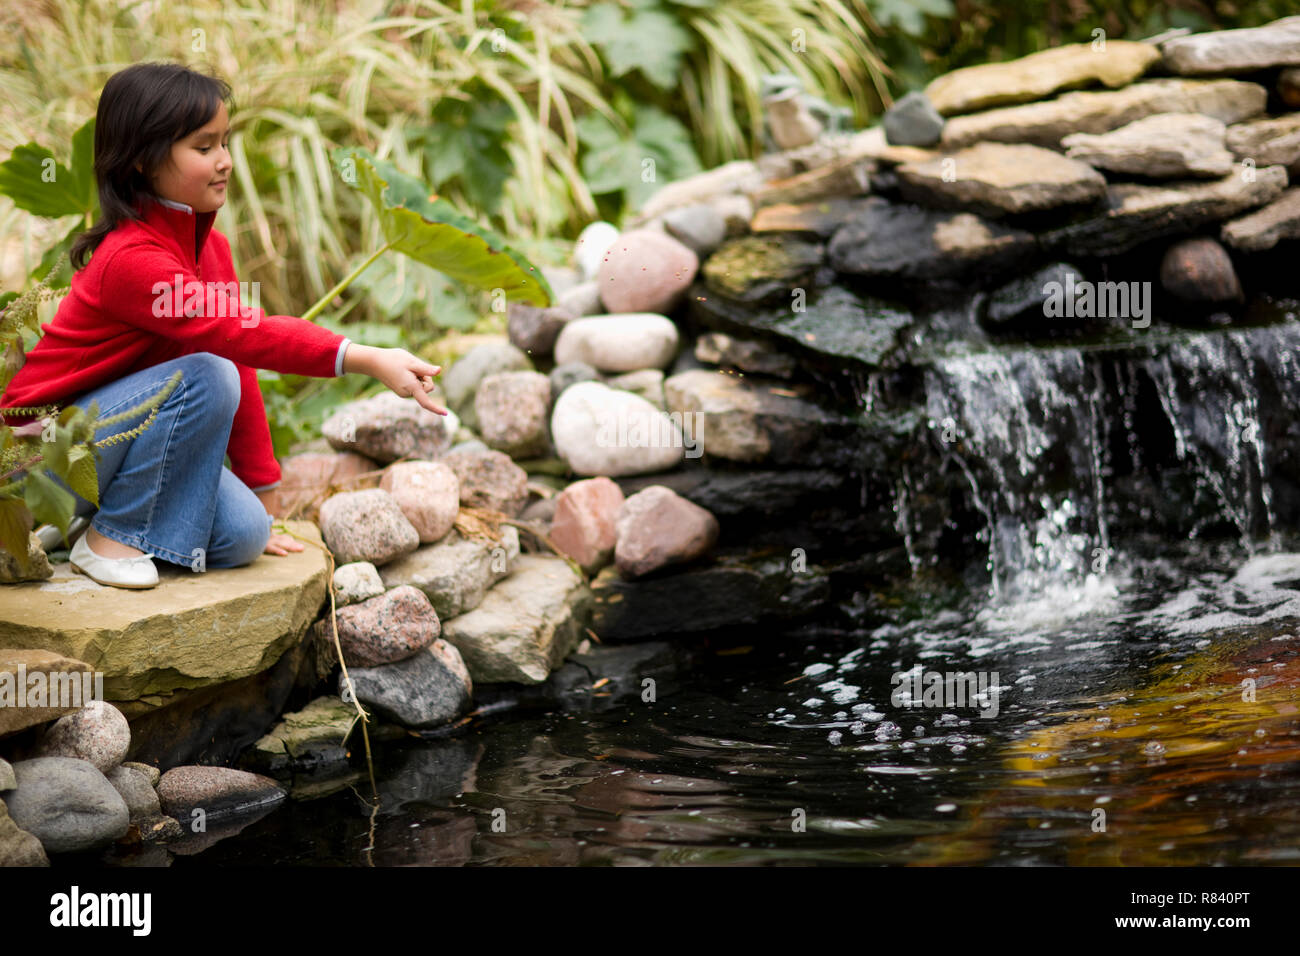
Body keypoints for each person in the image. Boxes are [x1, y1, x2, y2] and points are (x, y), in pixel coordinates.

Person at [0, 62, 445, 589]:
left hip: (109, 448)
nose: (226, 162)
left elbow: (244, 361)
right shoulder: (130, 260)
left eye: (225, 142)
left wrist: (264, 488)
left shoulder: (211, 248)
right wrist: (364, 356)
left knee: (244, 535)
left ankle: (81, 524)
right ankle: (110, 537)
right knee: (207, 375)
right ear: (142, 160)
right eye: (204, 147)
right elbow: (241, 335)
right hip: (40, 452)